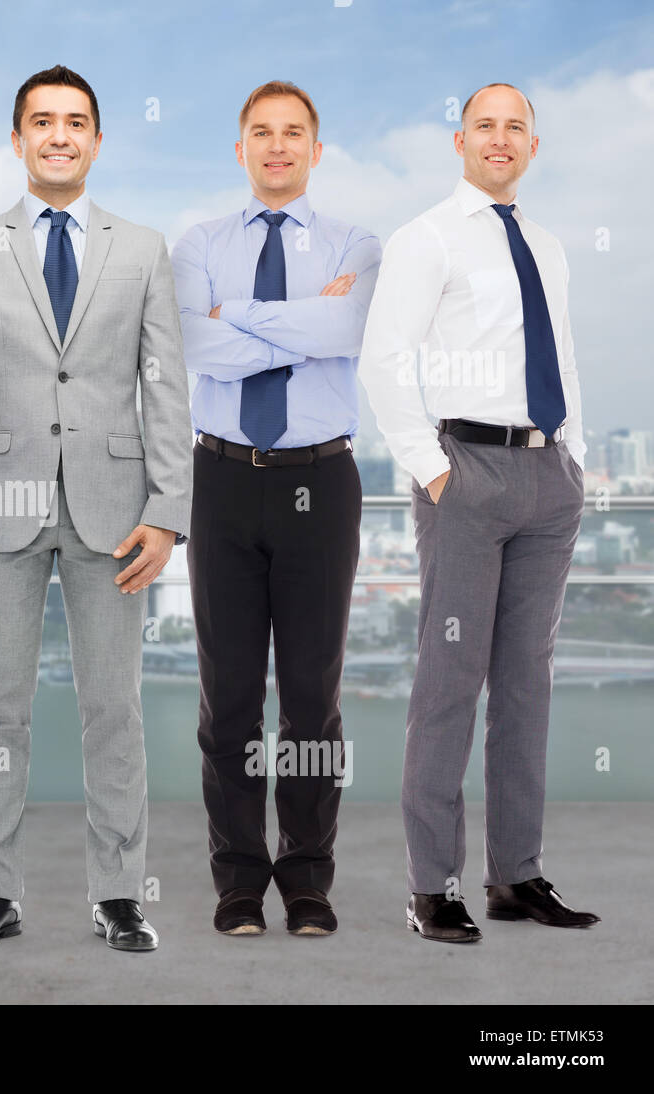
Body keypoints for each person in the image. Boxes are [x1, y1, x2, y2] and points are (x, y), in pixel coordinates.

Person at [0, 66, 193, 953]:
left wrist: (169, 509)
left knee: (113, 707)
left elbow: (165, 385)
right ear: (19, 138)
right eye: (43, 122)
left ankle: (119, 896)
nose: (59, 135)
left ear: (97, 140)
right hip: (2, 499)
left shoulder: (143, 248)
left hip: (115, 509)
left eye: (75, 122)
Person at [358, 82, 599, 942]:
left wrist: (577, 455)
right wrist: (432, 471)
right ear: (459, 139)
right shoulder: (426, 239)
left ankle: (517, 877)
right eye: (485, 126)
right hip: (465, 473)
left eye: (516, 128)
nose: (500, 139)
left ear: (534, 145)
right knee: (448, 684)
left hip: (547, 476)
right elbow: (384, 360)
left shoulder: (548, 243)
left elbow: (562, 354)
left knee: (527, 686)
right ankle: (433, 887)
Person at [170, 82, 380, 937]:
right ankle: (237, 878)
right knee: (227, 697)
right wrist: (303, 317)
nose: (278, 146)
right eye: (262, 132)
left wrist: (243, 317)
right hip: (221, 480)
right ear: (240, 149)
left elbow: (347, 332)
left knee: (311, 697)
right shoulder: (199, 243)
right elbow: (195, 343)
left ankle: (306, 877)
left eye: (294, 133)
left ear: (316, 150)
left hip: (320, 484)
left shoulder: (356, 244)